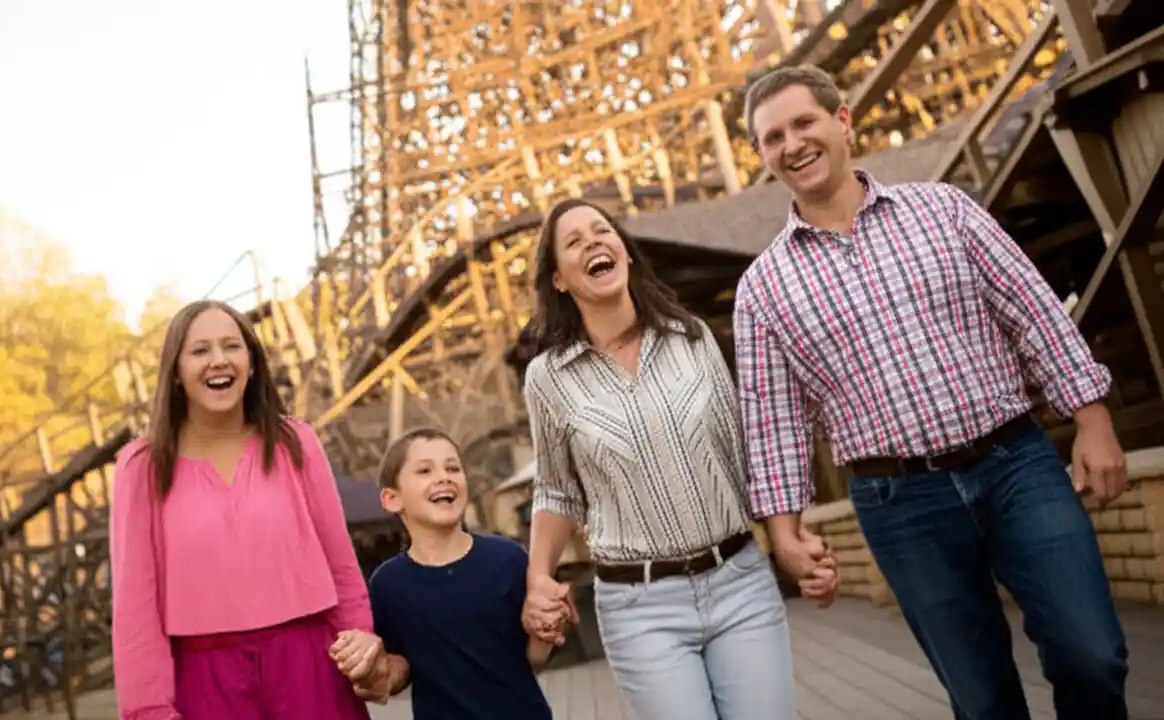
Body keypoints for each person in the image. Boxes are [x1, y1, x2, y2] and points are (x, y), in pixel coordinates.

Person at [734, 64, 1131, 719]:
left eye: (803, 122)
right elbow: (773, 420)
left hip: (1016, 467)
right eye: (773, 137)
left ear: (842, 121)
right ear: (762, 155)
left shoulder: (944, 209)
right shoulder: (763, 288)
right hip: (899, 504)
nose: (792, 144)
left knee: (1093, 654)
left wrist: (1092, 419)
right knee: (981, 701)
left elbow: (1033, 312)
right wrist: (786, 532)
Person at [518, 198, 838, 720]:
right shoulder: (549, 378)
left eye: (602, 231)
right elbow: (556, 490)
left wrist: (789, 536)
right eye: (574, 242)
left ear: (623, 250)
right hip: (639, 607)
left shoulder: (691, 337)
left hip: (738, 580)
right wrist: (538, 579)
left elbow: (744, 450)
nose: (594, 242)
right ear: (558, 280)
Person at [108, 300, 377, 719]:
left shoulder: (296, 442)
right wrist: (148, 709)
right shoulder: (142, 467)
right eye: (200, 351)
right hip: (204, 679)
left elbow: (341, 565)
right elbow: (135, 608)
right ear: (176, 373)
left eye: (232, 346)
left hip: (311, 665)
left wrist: (361, 640)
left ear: (252, 363)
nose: (219, 360)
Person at [329, 427, 555, 719]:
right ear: (392, 499)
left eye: (453, 467)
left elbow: (533, 659)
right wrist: (374, 670)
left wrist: (548, 629)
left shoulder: (508, 558)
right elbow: (399, 670)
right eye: (424, 470)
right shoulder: (388, 585)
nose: (443, 476)